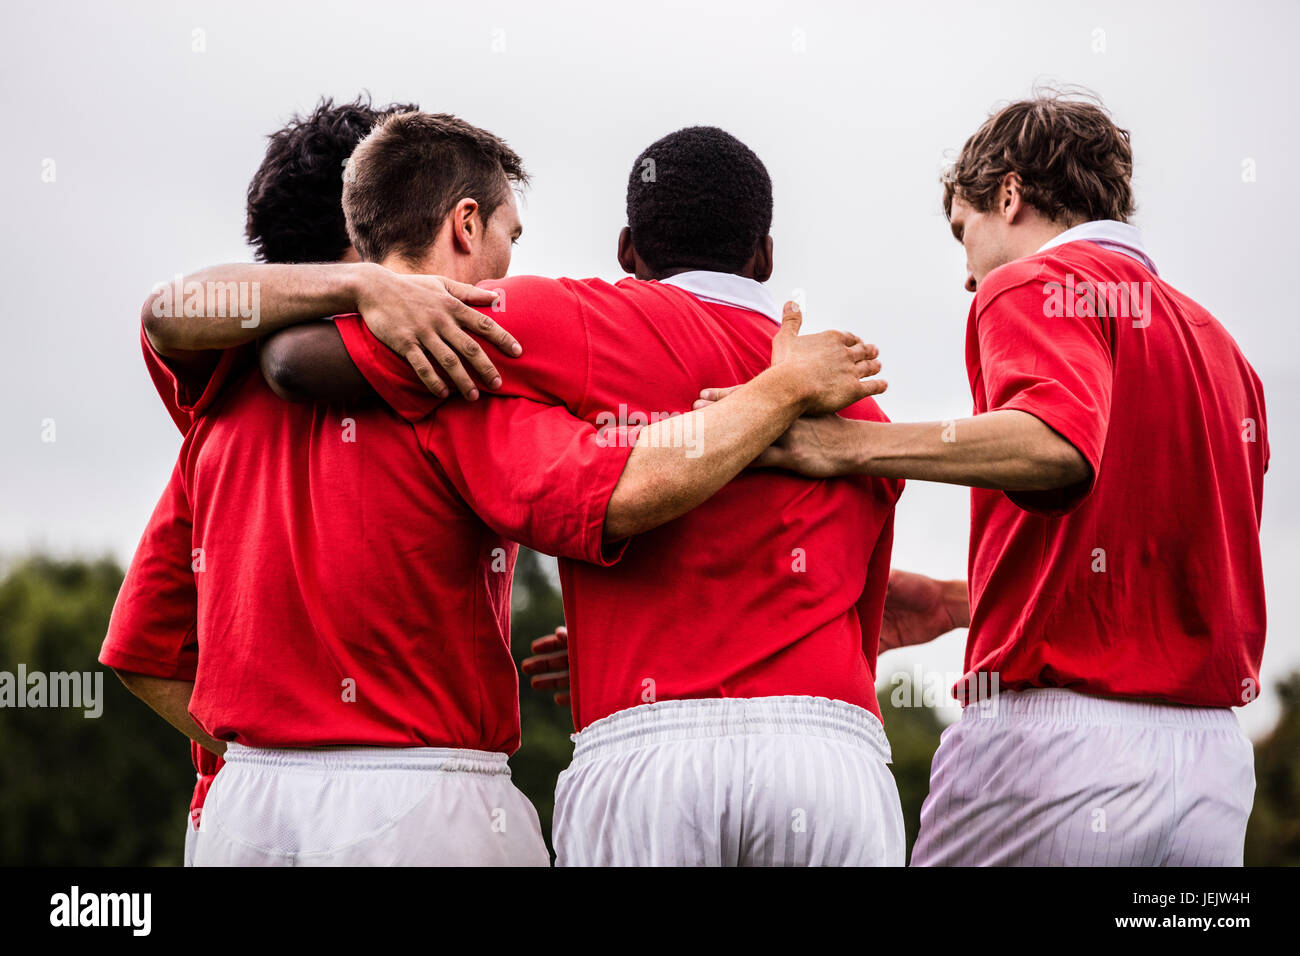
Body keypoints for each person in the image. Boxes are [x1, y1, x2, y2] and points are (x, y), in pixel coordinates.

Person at [137, 113, 882, 865]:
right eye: (511, 236)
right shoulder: (464, 376)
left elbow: (171, 315)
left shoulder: (221, 386)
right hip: (421, 799)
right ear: (465, 225)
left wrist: (276, 746)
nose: (509, 261)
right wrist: (779, 391)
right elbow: (626, 490)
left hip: (245, 805)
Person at [711, 92, 1268, 866]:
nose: (969, 278)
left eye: (962, 232)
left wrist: (843, 448)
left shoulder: (1034, 282)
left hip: (1055, 747)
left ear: (1009, 195)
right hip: (1211, 763)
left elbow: (1059, 447)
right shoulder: (1225, 349)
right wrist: (958, 600)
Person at [99, 94, 418, 865]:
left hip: (252, 810)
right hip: (307, 800)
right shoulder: (229, 379)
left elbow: (143, 652)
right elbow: (168, 309)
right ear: (364, 230)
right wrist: (294, 753)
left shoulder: (217, 426)